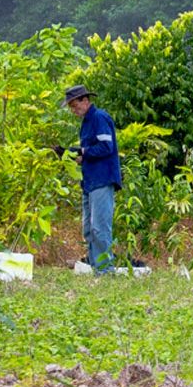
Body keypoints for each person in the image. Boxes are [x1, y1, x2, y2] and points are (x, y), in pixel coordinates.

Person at [63, 85, 121, 274]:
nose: (74, 110)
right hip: (89, 180)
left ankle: (105, 269)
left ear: (85, 100)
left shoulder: (99, 117)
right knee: (88, 229)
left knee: (100, 227)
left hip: (102, 179)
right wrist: (74, 156)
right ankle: (97, 267)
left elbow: (106, 147)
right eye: (71, 107)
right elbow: (89, 153)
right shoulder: (86, 123)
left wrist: (83, 151)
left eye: (75, 105)